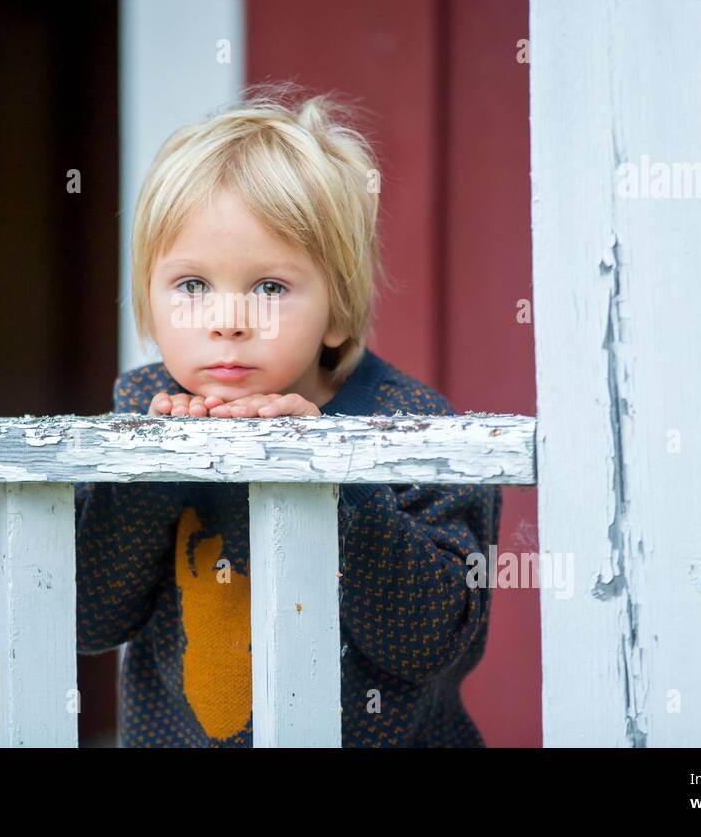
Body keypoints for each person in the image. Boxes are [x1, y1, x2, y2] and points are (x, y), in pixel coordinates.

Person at [75, 83, 502, 746]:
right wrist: (155, 468)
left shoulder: (416, 428)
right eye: (192, 286)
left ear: (337, 311)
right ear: (148, 302)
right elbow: (86, 616)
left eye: (269, 287)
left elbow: (431, 645)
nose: (227, 321)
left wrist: (328, 470)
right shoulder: (142, 410)